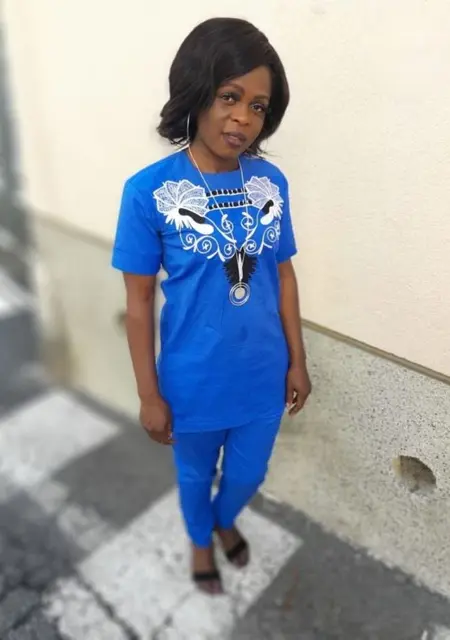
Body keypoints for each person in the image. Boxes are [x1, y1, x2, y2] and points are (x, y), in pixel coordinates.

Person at [112, 16, 311, 595]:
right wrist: (149, 394)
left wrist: (298, 360)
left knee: (248, 474)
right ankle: (201, 540)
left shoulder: (269, 183)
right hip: (192, 382)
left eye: (258, 106)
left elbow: (284, 274)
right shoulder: (148, 191)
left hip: (262, 377)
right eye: (229, 97)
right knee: (195, 475)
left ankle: (225, 521)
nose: (243, 118)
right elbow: (139, 302)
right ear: (197, 91)